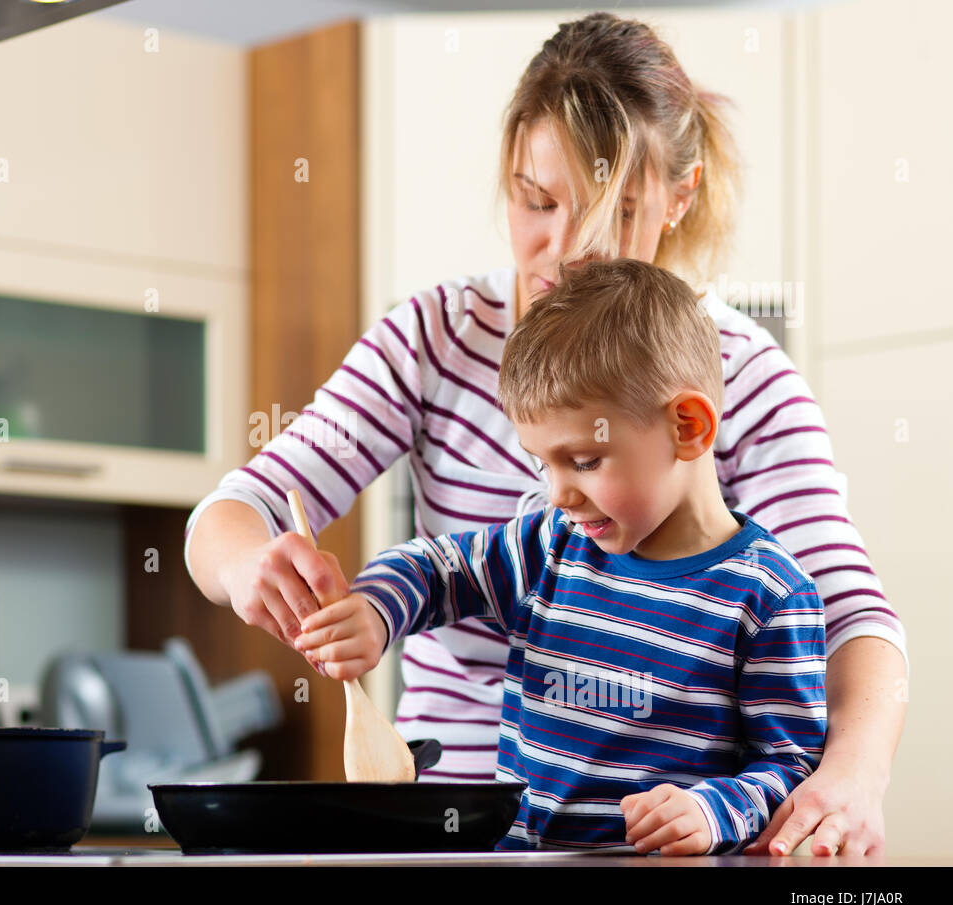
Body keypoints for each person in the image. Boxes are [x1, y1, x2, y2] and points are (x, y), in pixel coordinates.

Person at [184, 11, 905, 856]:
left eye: (612, 214)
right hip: (460, 819)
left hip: (660, 837)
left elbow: (847, 612)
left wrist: (850, 777)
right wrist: (254, 570)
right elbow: (238, 514)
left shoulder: (745, 379)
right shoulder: (435, 336)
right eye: (536, 202)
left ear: (680, 196)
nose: (561, 252)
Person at [296, 258, 828, 853]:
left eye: (583, 461)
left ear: (688, 427)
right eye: (541, 462)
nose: (558, 494)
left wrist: (712, 811)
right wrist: (374, 610)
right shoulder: (548, 543)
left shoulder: (772, 595)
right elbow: (436, 567)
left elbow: (790, 765)